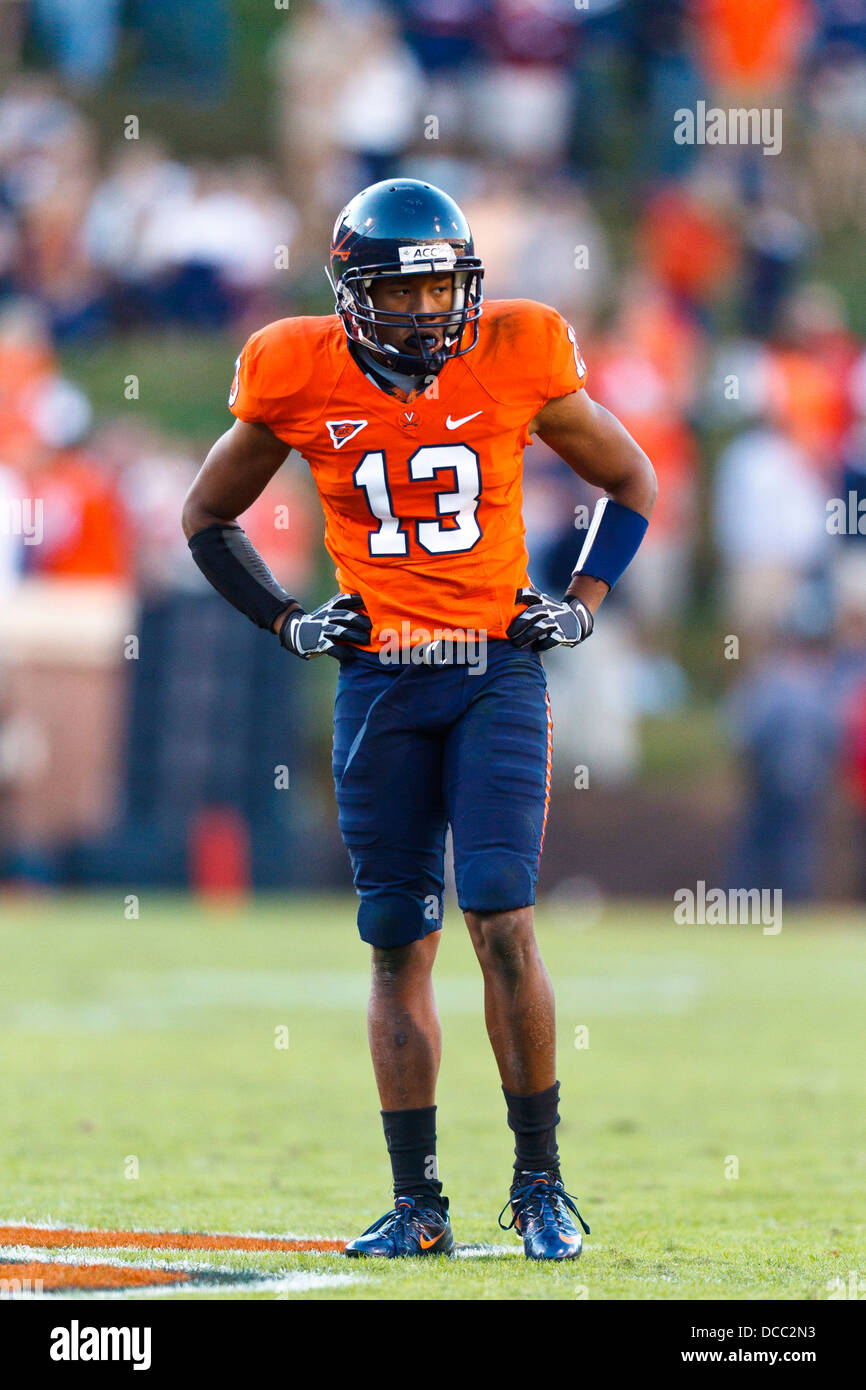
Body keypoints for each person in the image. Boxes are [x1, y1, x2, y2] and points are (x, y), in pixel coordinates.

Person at [182, 179, 656, 1260]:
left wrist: (577, 609)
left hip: (492, 668)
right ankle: (418, 1201)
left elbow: (628, 479)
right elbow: (206, 518)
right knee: (397, 938)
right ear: (350, 299)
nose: (426, 312)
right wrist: (288, 623)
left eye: (443, 288)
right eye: (401, 294)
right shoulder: (292, 366)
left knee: (498, 912)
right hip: (379, 683)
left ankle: (539, 1184)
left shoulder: (518, 349)